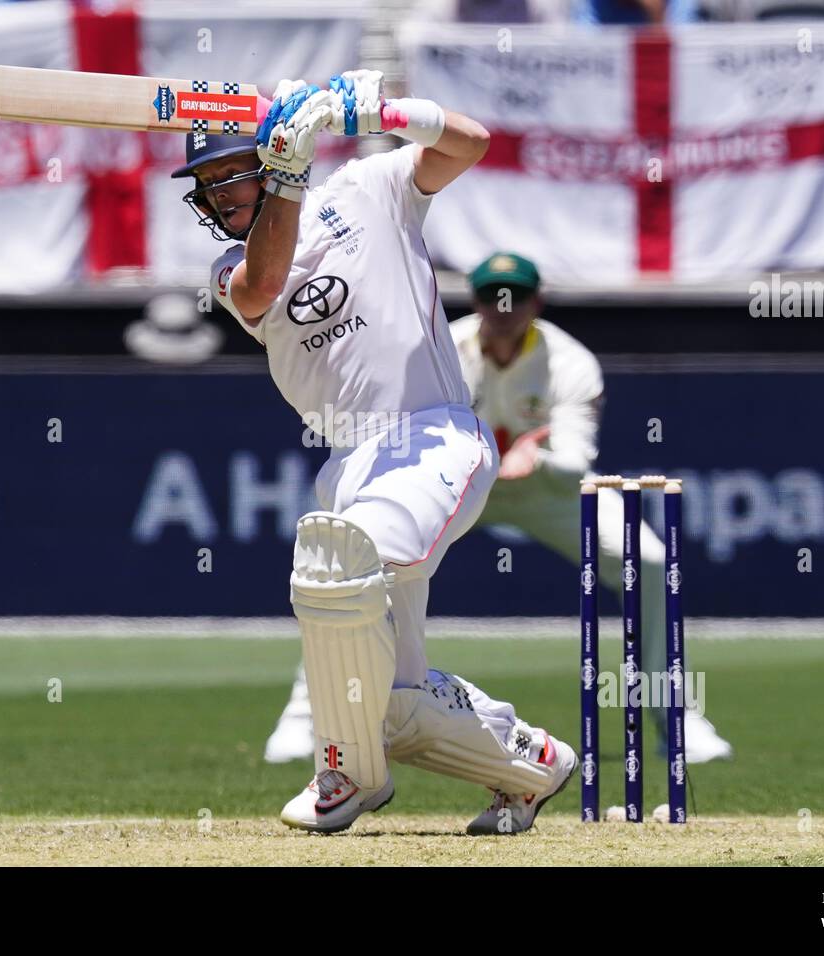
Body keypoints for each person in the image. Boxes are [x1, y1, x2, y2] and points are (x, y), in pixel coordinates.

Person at [179, 74, 577, 835]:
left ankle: (347, 774)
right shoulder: (230, 271)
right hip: (350, 464)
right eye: (203, 187)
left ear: (263, 161)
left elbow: (471, 142)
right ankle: (530, 764)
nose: (213, 198)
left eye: (225, 177)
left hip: (431, 435)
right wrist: (289, 176)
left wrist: (378, 111)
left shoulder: (370, 185)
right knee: (385, 699)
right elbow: (265, 287)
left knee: (338, 565)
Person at [264, 252, 733, 773]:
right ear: (476, 302)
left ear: (537, 302)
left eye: (514, 297)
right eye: (490, 297)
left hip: (544, 490)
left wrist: (537, 459)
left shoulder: (570, 362)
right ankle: (306, 719)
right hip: (450, 485)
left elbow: (575, 460)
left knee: (647, 561)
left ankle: (678, 719)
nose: (503, 308)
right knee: (354, 563)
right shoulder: (439, 348)